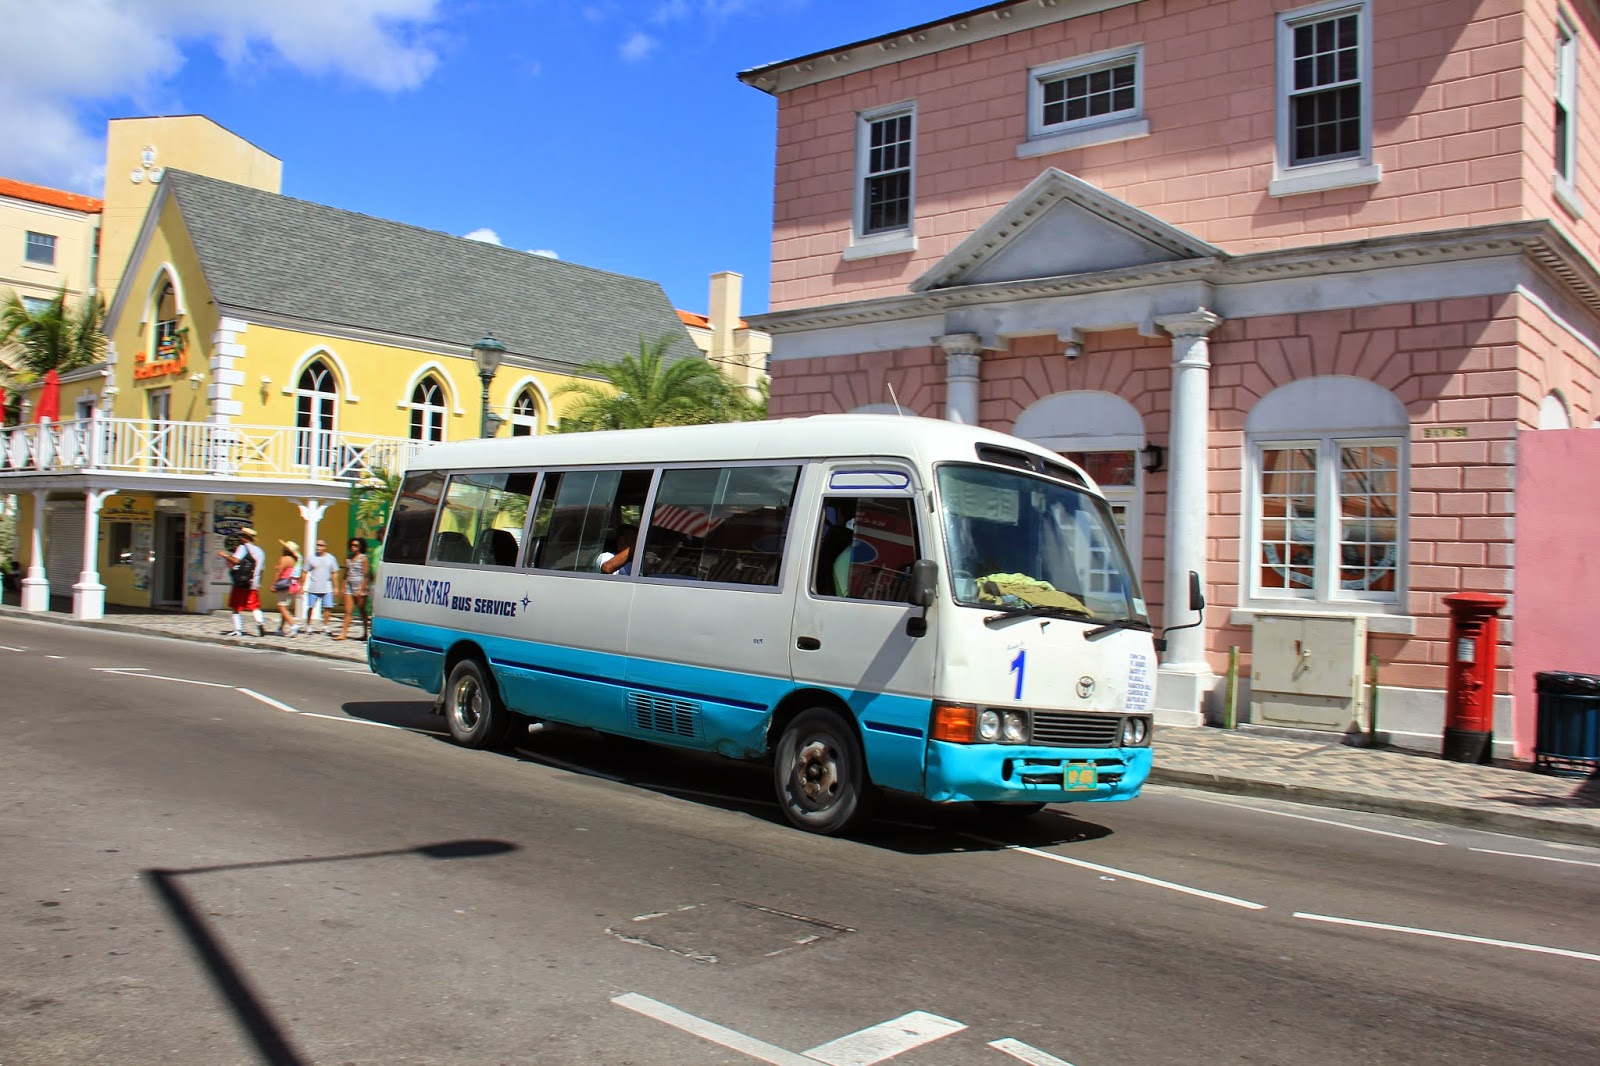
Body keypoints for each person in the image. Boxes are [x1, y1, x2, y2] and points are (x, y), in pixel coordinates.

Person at [217, 526, 267, 637]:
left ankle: (238, 629)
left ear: (245, 538)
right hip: (253, 581)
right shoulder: (260, 551)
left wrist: (224, 555)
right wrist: (258, 582)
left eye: (241, 536)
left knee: (236, 606)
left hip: (241, 582)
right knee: (254, 606)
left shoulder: (243, 548)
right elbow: (261, 569)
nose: (239, 538)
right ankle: (260, 622)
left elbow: (235, 561)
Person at [334, 537, 370, 641]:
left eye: (356, 545)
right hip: (349, 585)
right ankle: (343, 633)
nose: (353, 547)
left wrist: (361, 589)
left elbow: (365, 575)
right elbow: (346, 573)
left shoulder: (363, 558)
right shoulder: (349, 557)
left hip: (359, 585)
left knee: (361, 609)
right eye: (352, 545)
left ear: (360, 547)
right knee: (347, 610)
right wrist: (342, 587)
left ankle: (365, 632)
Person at [302, 537, 340, 636]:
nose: (318, 547)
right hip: (314, 586)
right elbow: (305, 572)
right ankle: (309, 625)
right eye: (317, 545)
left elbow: (334, 573)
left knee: (327, 607)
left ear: (325, 547)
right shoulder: (311, 558)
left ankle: (326, 625)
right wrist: (302, 585)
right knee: (311, 606)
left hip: (327, 587)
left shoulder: (331, 558)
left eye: (321, 545)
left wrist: (336, 587)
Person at [272, 540, 303, 636]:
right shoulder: (296, 560)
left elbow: (279, 572)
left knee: (281, 607)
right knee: (284, 607)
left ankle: (293, 625)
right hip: (293, 584)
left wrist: (273, 583)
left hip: (284, 583)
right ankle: (281, 628)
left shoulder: (284, 559)